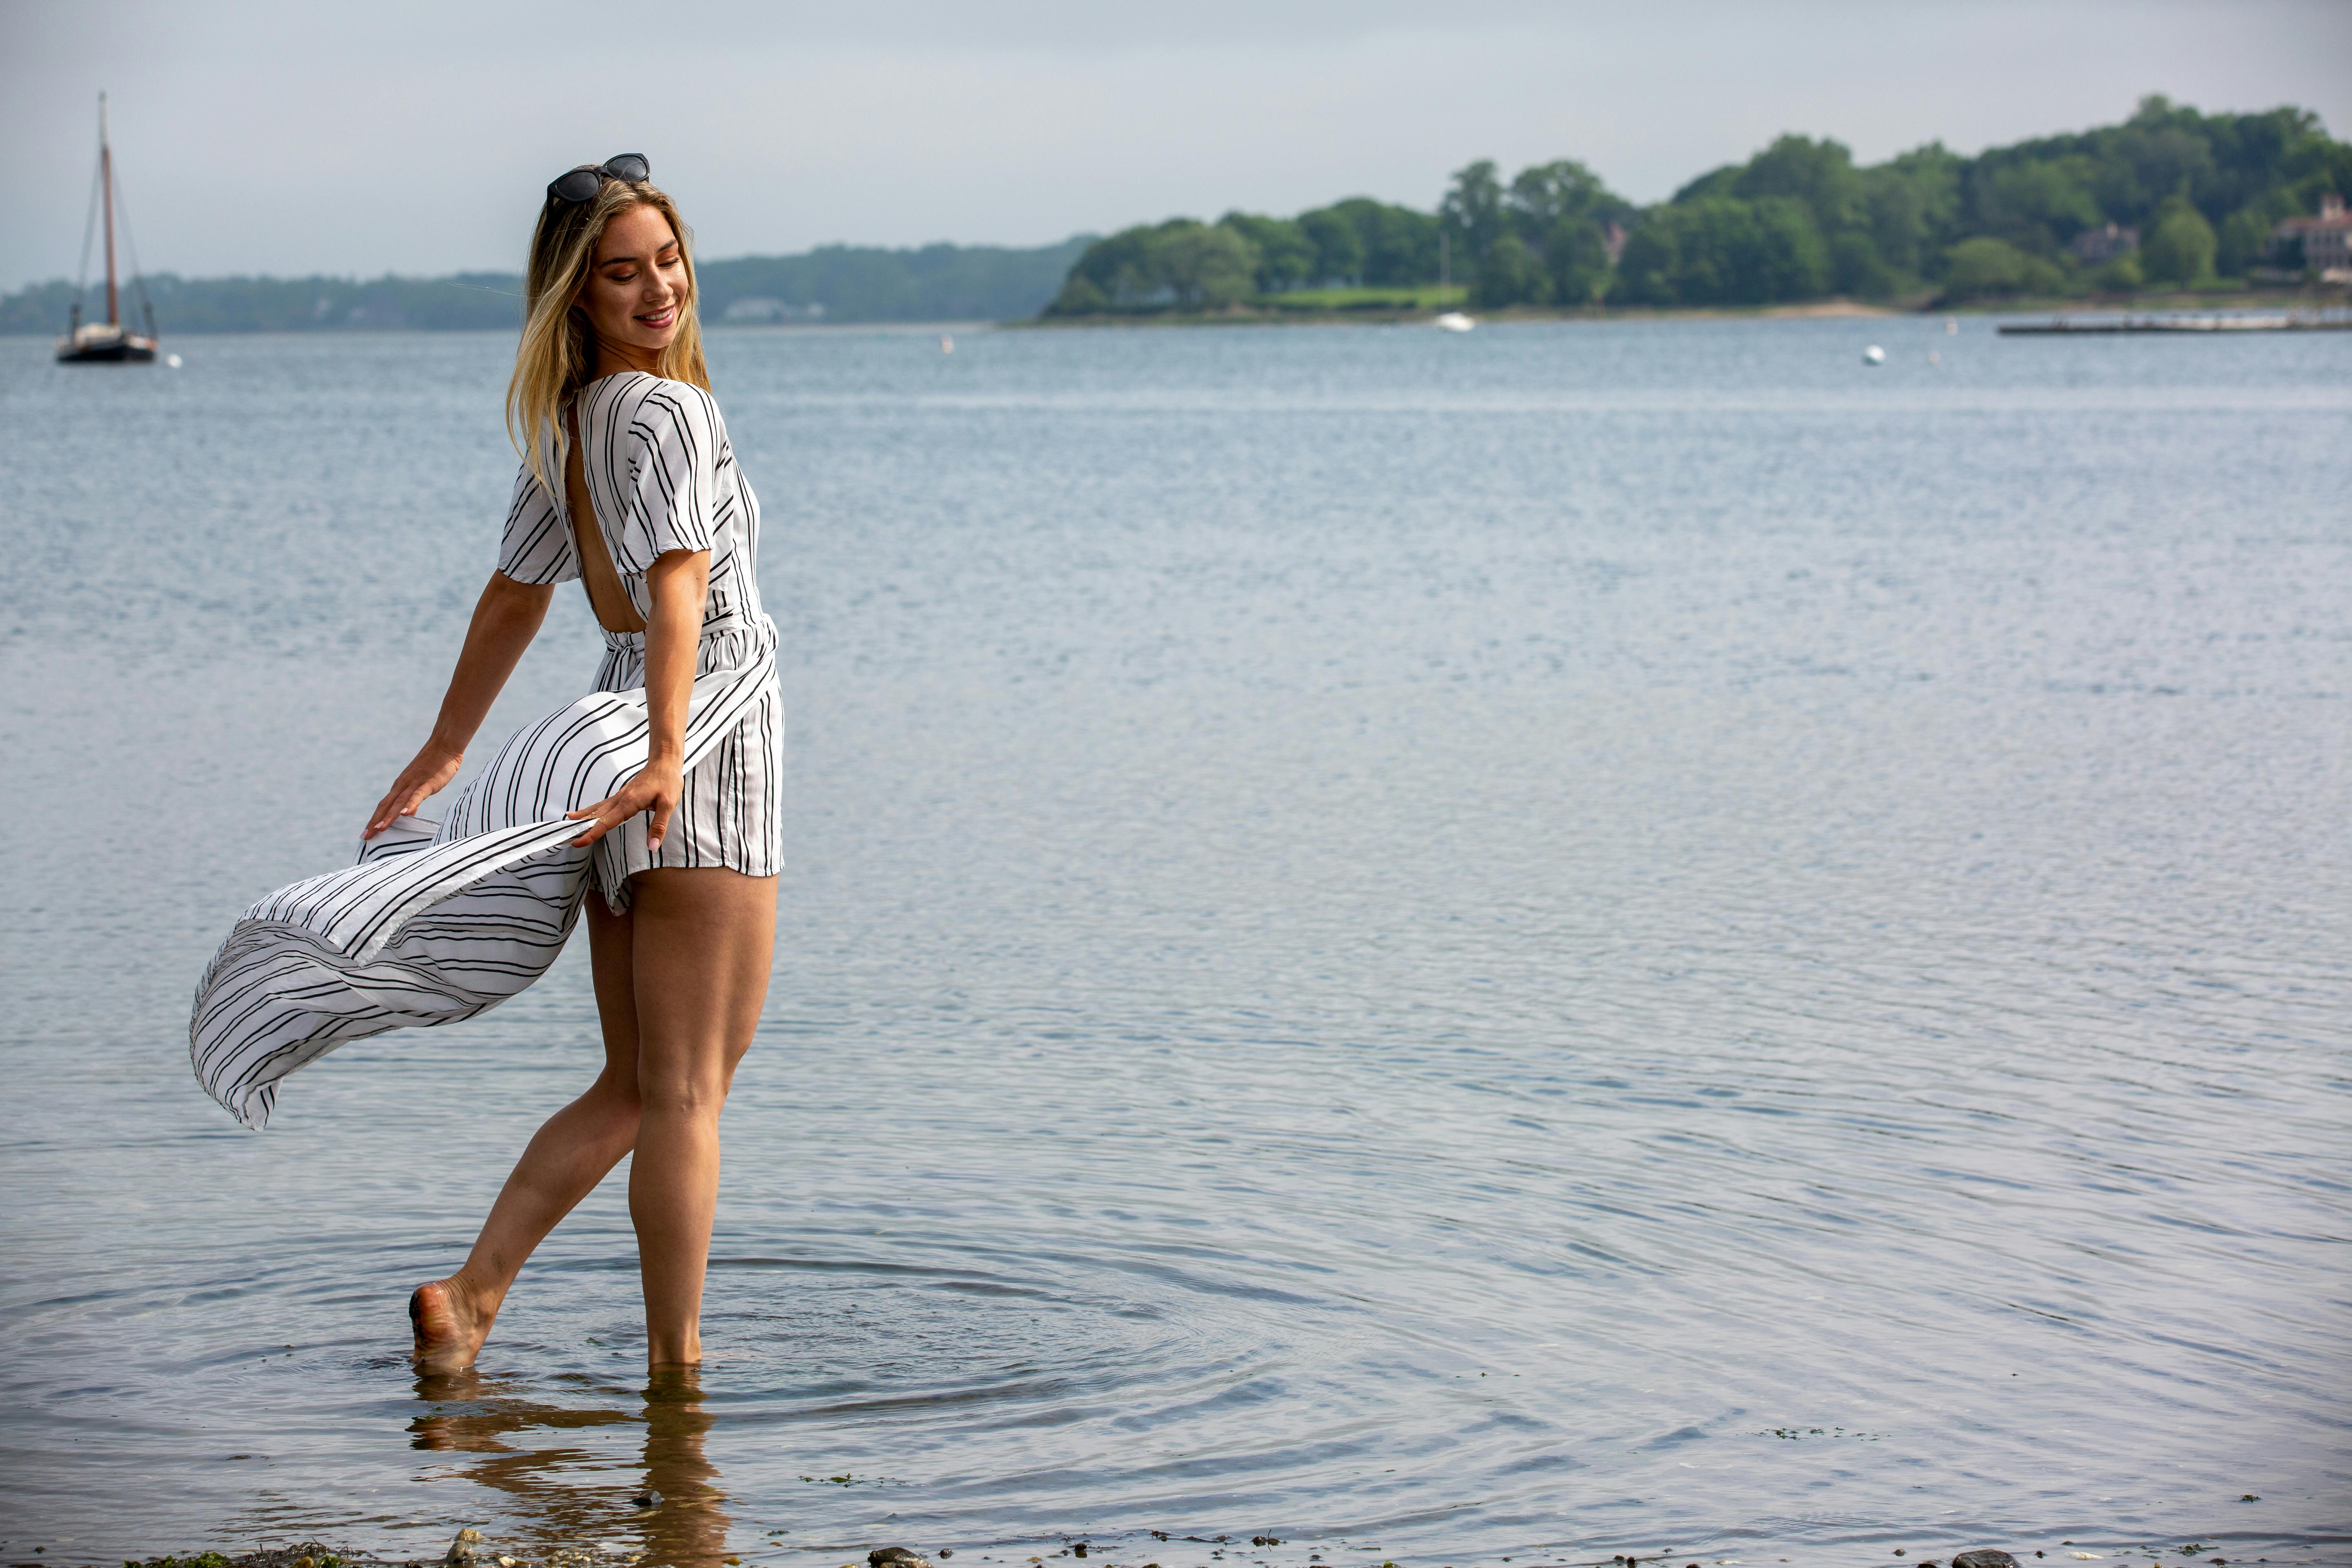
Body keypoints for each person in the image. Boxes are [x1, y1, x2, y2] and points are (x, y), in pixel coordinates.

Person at [187, 156, 783, 1374]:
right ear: (577, 295)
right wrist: (672, 752)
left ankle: (471, 1300)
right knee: (685, 1095)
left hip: (613, 737)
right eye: (624, 273)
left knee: (640, 1080)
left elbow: (518, 595)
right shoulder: (669, 411)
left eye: (668, 262)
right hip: (700, 742)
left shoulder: (572, 423)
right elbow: (680, 589)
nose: (658, 288)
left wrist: (452, 741)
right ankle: (679, 1375)